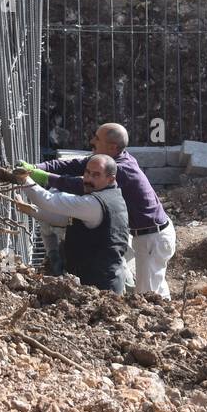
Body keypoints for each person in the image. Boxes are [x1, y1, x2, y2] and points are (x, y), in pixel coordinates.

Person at [29, 122, 176, 298]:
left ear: (112, 147)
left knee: (149, 294)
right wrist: (37, 168)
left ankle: (164, 323)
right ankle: (166, 317)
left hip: (152, 238)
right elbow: (73, 165)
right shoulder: (112, 161)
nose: (92, 141)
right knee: (152, 287)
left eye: (97, 139)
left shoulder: (120, 170)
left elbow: (80, 185)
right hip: (147, 234)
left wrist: (43, 178)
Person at [14, 154, 129, 294]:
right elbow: (65, 219)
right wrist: (33, 211)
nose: (88, 179)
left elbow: (48, 200)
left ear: (110, 179)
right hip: (101, 280)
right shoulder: (112, 196)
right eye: (87, 172)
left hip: (101, 287)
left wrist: (24, 179)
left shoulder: (94, 203)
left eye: (96, 175)